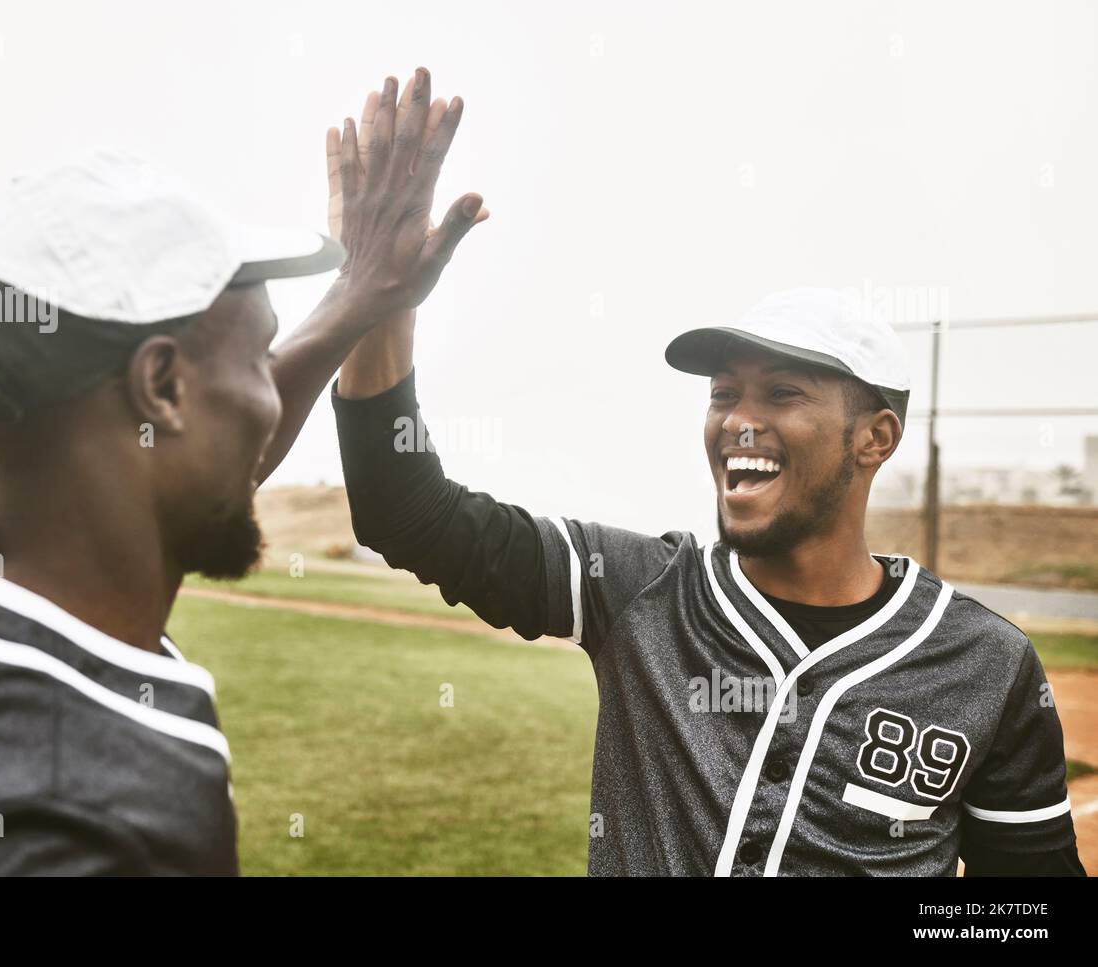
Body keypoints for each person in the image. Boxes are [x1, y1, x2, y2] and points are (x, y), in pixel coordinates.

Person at [0, 68, 485, 875]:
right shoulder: (70, 827)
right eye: (258, 355)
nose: (268, 400)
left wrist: (360, 297)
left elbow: (177, 454)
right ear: (161, 386)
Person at [331, 139, 1085, 873]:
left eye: (782, 393)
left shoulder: (987, 663)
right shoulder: (638, 589)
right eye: (724, 394)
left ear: (875, 438)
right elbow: (405, 511)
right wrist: (380, 306)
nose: (738, 420)